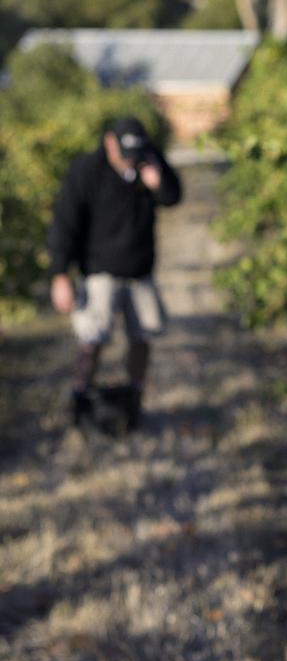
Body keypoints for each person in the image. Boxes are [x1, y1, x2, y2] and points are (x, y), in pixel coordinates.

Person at [48, 115, 182, 430]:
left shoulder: (147, 161)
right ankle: (80, 401)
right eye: (125, 155)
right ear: (110, 143)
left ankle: (134, 400)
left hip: (140, 271)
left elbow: (173, 198)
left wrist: (157, 181)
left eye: (136, 156)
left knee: (143, 335)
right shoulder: (86, 171)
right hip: (99, 270)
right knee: (92, 336)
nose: (130, 162)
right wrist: (60, 274)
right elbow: (65, 223)